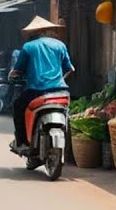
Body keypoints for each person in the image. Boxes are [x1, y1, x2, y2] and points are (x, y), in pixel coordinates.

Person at [9, 16, 73, 151]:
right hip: (61, 91)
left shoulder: (28, 47)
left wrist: (13, 76)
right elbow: (70, 69)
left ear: (33, 32)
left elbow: (17, 70)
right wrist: (59, 79)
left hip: (37, 92)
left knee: (18, 106)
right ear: (47, 30)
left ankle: (21, 142)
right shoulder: (60, 45)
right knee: (68, 115)